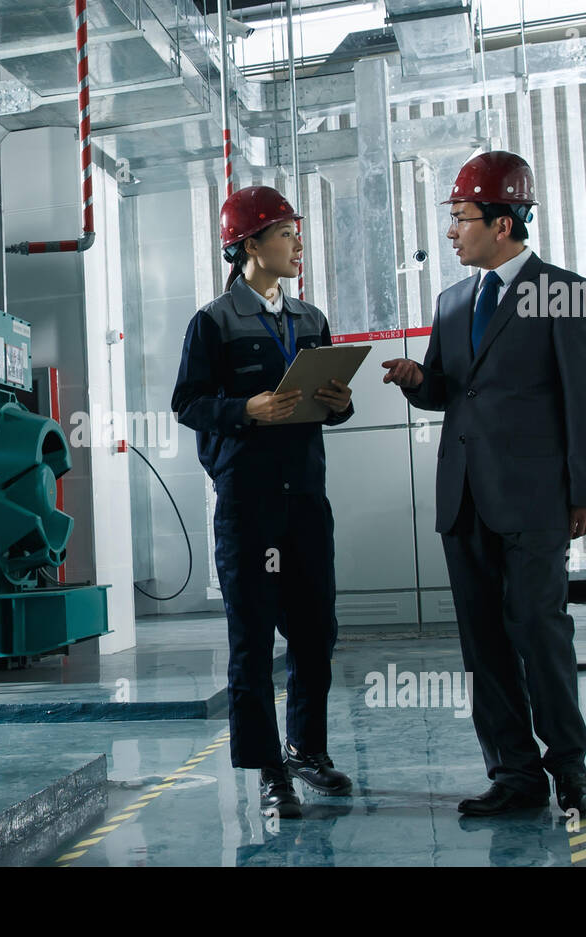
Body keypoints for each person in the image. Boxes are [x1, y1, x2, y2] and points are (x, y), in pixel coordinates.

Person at [381, 151, 586, 817]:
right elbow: (450, 390)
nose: (451, 232)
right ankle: (514, 774)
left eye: (462, 219)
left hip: (535, 499)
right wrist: (418, 381)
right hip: (465, 498)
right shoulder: (454, 300)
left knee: (539, 630)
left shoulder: (561, 291)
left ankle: (568, 767)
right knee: (482, 644)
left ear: (505, 223)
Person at [172, 185, 355, 818]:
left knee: (315, 632)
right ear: (250, 245)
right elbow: (188, 405)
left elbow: (332, 402)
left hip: (305, 498)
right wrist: (243, 410)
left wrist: (339, 403)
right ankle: (268, 769)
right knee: (251, 640)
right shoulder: (214, 322)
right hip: (248, 506)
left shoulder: (311, 320)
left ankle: (308, 749)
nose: (297, 243)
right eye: (285, 233)